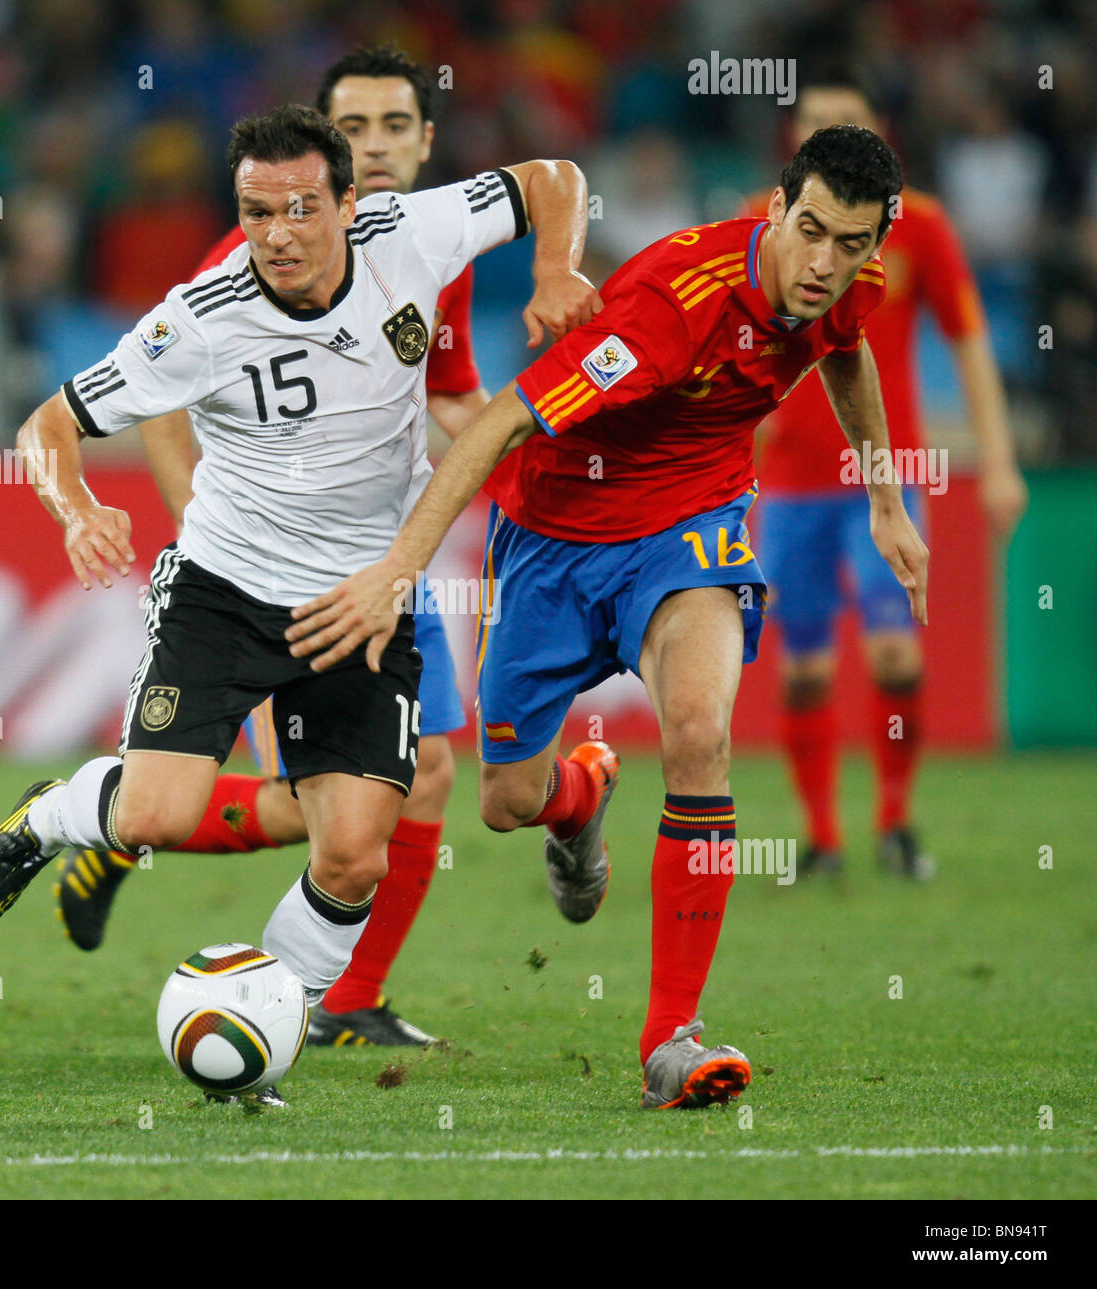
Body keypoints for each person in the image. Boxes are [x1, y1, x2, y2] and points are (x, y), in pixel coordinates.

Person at [286, 125, 929, 1110]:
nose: (824, 263)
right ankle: (580, 801)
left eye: (850, 243)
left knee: (699, 731)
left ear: (873, 241)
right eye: (809, 232)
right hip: (552, 538)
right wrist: (395, 571)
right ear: (773, 208)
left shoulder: (849, 286)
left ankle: (671, 1036)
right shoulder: (672, 306)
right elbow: (503, 419)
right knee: (505, 799)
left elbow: (842, 351)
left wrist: (882, 492)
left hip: (690, 528)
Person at [0, 105, 597, 1091]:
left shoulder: (411, 234)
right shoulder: (199, 316)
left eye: (302, 208)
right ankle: (53, 817)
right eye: (257, 212)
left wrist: (556, 269)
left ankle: (267, 1037)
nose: (279, 233)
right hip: (225, 590)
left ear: (349, 201)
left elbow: (553, 175)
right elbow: (50, 422)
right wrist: (74, 507)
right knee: (157, 817)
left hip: (360, 599)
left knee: (352, 852)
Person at [55, 47, 498, 1050]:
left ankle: (344, 997)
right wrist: (211, 536)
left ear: (426, 141)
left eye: (395, 126)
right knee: (318, 805)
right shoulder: (253, 257)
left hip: (385, 557)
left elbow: (442, 396)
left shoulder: (429, 247)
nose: (375, 146)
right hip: (257, 573)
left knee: (414, 779)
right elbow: (155, 405)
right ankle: (113, 825)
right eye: (355, 129)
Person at [746, 67, 1027, 879]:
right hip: (791, 483)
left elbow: (970, 341)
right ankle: (823, 835)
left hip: (883, 477)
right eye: (814, 124)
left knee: (895, 655)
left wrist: (998, 459)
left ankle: (896, 822)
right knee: (804, 669)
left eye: (846, 121)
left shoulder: (921, 228)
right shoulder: (757, 225)